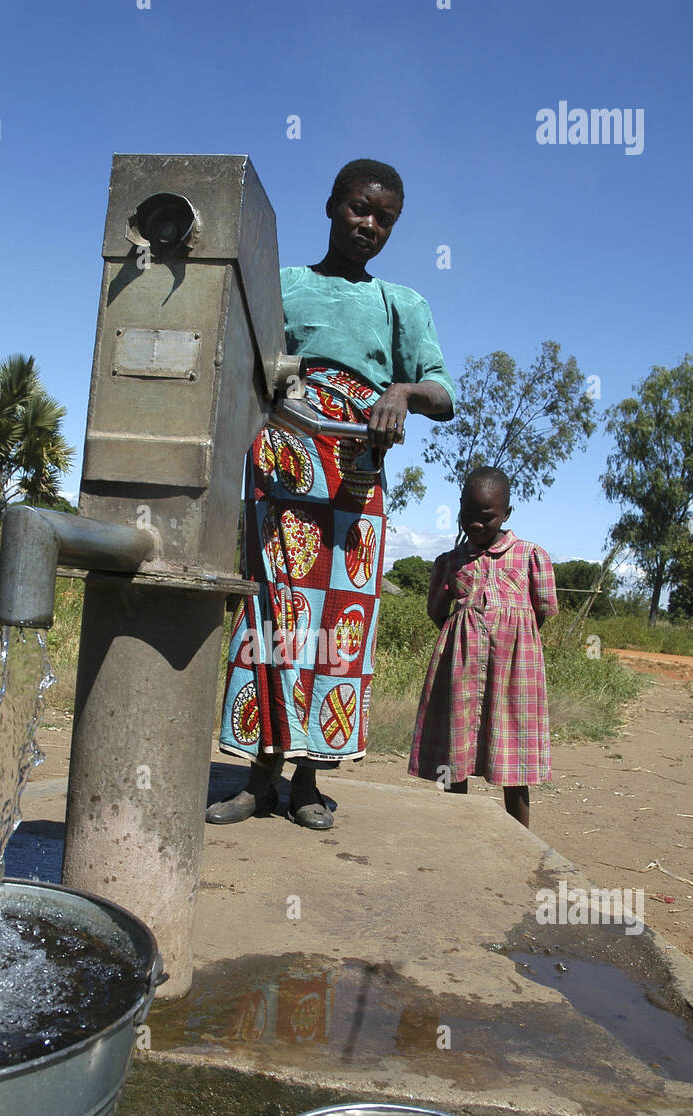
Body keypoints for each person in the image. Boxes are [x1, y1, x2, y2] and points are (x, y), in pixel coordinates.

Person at [207, 159, 456, 830]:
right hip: (283, 470)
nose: (370, 224)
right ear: (332, 205)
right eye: (359, 209)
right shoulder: (281, 284)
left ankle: (310, 781)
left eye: (385, 218)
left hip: (355, 480)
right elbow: (241, 357)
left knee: (340, 622)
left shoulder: (400, 305)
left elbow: (443, 391)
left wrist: (400, 393)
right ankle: (259, 778)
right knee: (275, 617)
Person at [408, 466, 558, 827]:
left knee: (514, 755)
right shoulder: (449, 562)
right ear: (459, 510)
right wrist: (465, 631)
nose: (476, 525)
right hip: (458, 668)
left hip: (514, 672)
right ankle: (455, 830)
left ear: (506, 514)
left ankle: (521, 841)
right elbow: (437, 612)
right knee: (453, 748)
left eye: (487, 518)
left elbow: (544, 609)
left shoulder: (531, 556)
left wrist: (509, 633)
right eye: (468, 516)